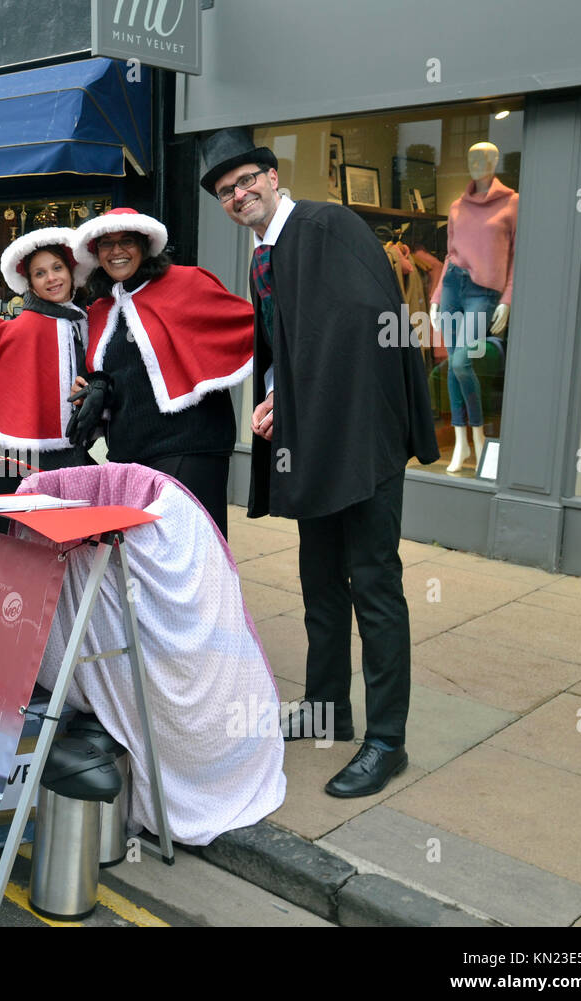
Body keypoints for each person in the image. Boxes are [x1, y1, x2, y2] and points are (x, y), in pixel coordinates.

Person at [201, 126, 438, 797]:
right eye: (226, 191)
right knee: (320, 583)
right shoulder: (263, 255)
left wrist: (298, 400)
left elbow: (362, 332)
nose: (239, 194)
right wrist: (275, 397)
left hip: (363, 442)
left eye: (247, 180)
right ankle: (327, 706)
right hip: (314, 443)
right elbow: (286, 343)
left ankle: (386, 740)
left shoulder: (327, 225)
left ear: (273, 177)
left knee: (375, 586)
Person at [66, 208, 255, 541]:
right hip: (129, 450)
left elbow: (251, 327)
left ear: (144, 245)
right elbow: (110, 370)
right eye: (106, 244)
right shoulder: (99, 309)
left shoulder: (187, 282)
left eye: (126, 241)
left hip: (191, 445)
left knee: (192, 554)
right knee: (145, 561)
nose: (117, 251)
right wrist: (95, 385)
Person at [0, 227, 95, 496]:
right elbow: (1, 398)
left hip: (76, 450)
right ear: (31, 283)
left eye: (57, 267)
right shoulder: (21, 329)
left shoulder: (84, 320)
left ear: (71, 272)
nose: (51, 278)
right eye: (40, 273)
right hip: (28, 458)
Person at [430, 142, 518, 473]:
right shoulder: (456, 206)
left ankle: (478, 436)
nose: (477, 163)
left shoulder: (512, 203)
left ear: (496, 161)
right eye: (471, 157)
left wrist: (507, 299)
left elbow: (516, 258)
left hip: (483, 292)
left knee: (462, 362)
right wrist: (437, 296)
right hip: (453, 285)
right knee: (455, 363)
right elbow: (450, 255)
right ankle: (462, 443)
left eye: (485, 157)